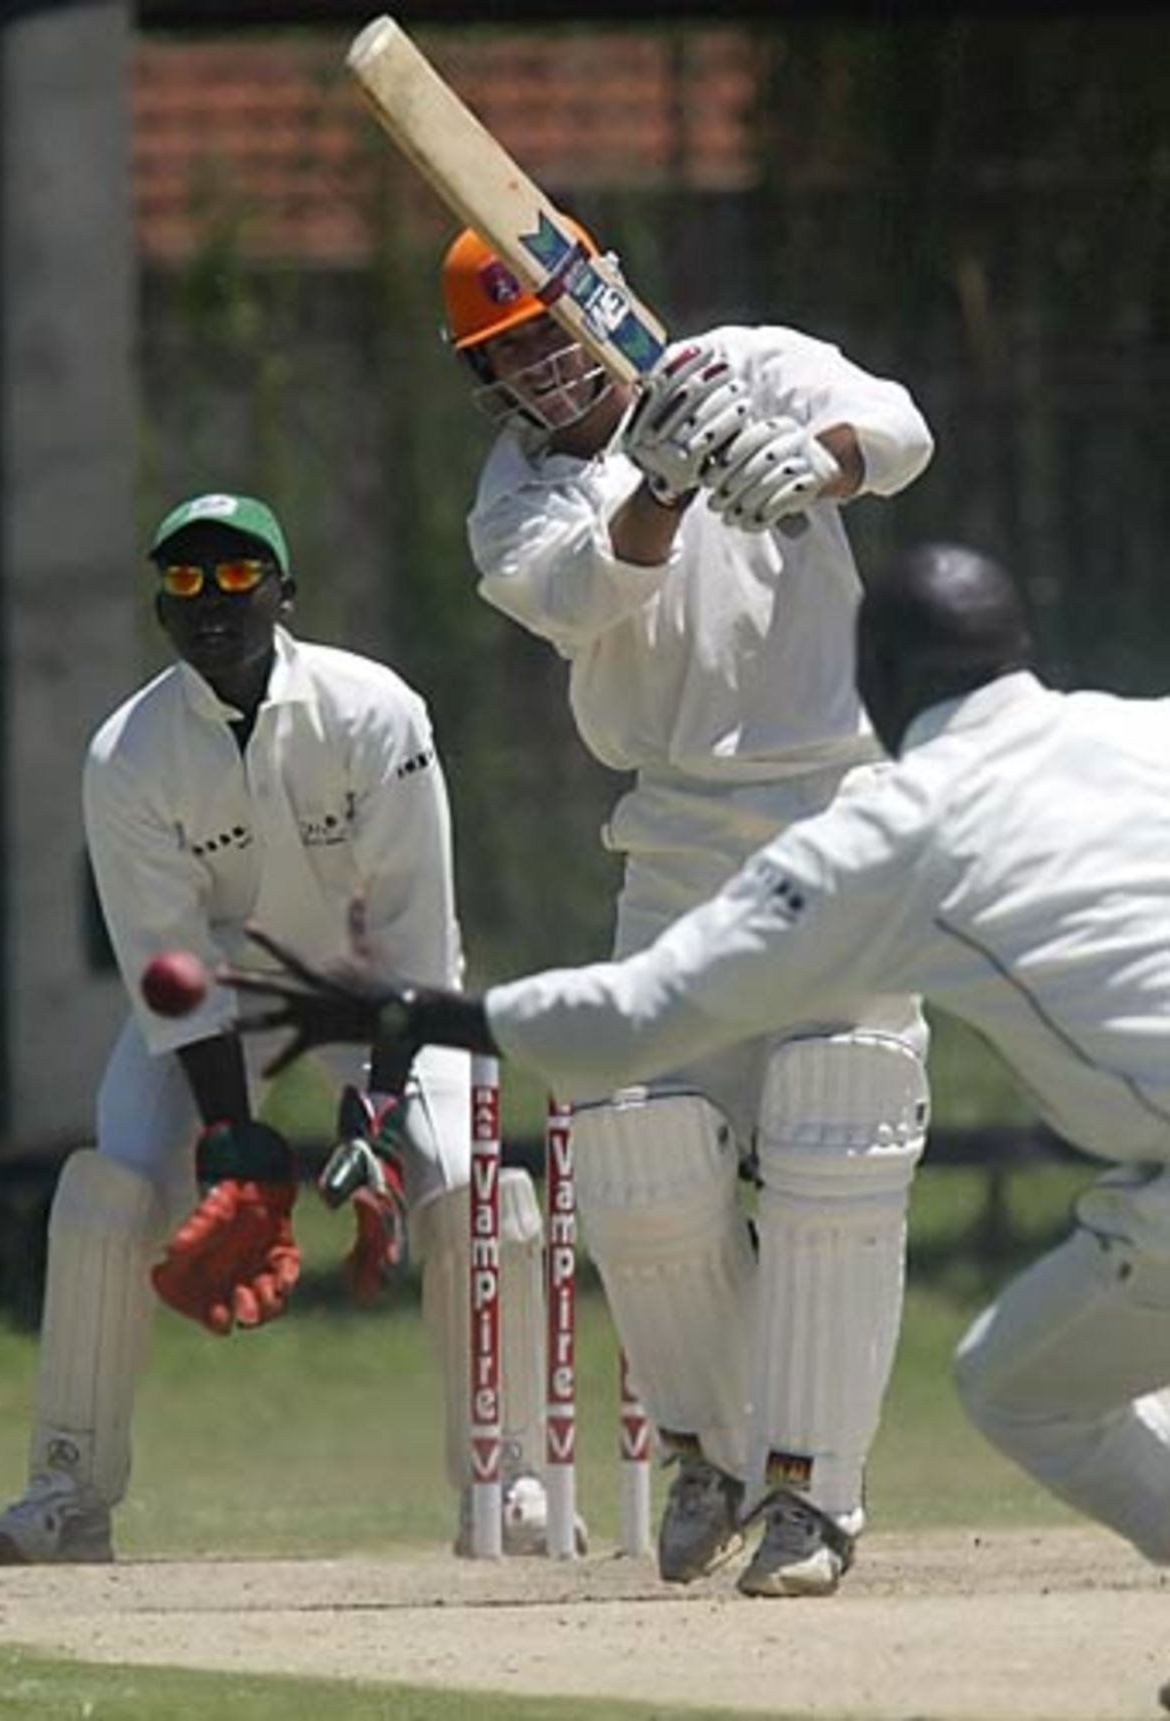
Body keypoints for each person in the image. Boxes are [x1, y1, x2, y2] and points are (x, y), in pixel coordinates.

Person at [222, 539, 1170, 1583]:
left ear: (876, 685)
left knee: (1021, 1384)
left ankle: (807, 1484)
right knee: (1073, 1366)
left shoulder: (892, 829)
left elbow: (637, 1017)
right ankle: (724, 1460)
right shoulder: (1142, 728)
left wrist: (418, 1013)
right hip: (1146, 1188)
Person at [431, 221, 936, 1594]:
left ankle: (814, 1498)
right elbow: (587, 590)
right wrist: (657, 480)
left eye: (545, 328)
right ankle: (713, 1448)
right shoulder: (516, 496)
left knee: (840, 1115)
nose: (538, 367)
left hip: (838, 805)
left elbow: (895, 429)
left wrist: (809, 457)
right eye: (507, 356)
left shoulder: (745, 362)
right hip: (671, 836)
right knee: (638, 1146)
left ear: (600, 301)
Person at [0, 490, 571, 1566]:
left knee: (479, 1195)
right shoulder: (128, 753)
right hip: (222, 1008)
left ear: (284, 591)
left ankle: (509, 1470)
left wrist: (379, 1115)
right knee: (108, 1192)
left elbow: (415, 940)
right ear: (163, 607)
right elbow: (172, 969)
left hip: (383, 992)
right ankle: (67, 1487)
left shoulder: (374, 709)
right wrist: (238, 1152)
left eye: (240, 575)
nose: (214, 601)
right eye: (189, 581)